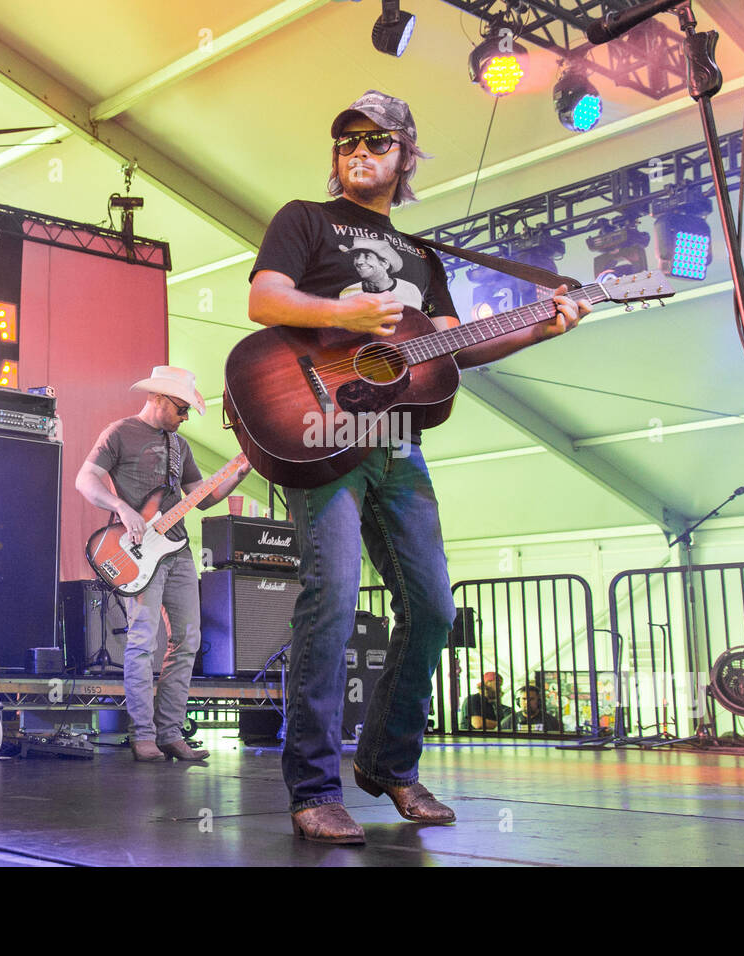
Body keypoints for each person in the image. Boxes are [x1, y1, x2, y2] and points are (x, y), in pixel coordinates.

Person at [247, 90, 591, 843]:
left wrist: (540, 330)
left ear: (404, 154)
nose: (358, 152)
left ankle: (389, 764)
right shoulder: (305, 218)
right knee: (332, 599)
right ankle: (313, 788)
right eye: (345, 142)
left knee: (434, 608)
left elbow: (451, 346)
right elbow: (265, 299)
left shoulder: (424, 257)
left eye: (375, 141)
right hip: (322, 431)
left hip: (400, 444)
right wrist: (344, 316)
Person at [75, 366, 251, 762]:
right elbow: (85, 479)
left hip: (179, 551)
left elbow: (201, 498)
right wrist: (121, 507)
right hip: (138, 553)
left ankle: (171, 732)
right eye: (182, 409)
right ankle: (143, 735)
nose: (185, 417)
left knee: (188, 639)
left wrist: (239, 473)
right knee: (140, 642)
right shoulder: (119, 432)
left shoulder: (180, 446)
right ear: (157, 398)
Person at [499, 684, 564, 733]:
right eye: (524, 699)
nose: (527, 702)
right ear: (518, 702)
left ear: (539, 701)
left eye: (531, 699)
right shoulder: (508, 722)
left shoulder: (551, 721)